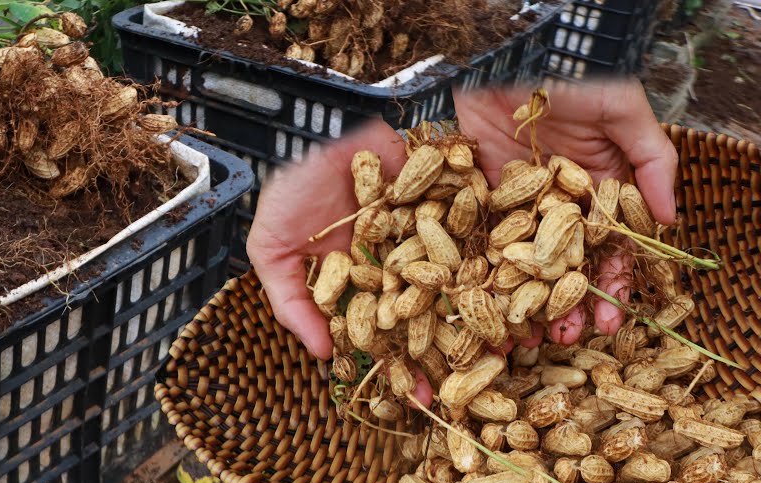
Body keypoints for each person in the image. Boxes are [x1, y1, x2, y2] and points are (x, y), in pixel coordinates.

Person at [245, 78, 679, 405]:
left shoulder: (530, 215)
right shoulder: (422, 234)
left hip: (435, 83)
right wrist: (310, 115)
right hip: (360, 103)